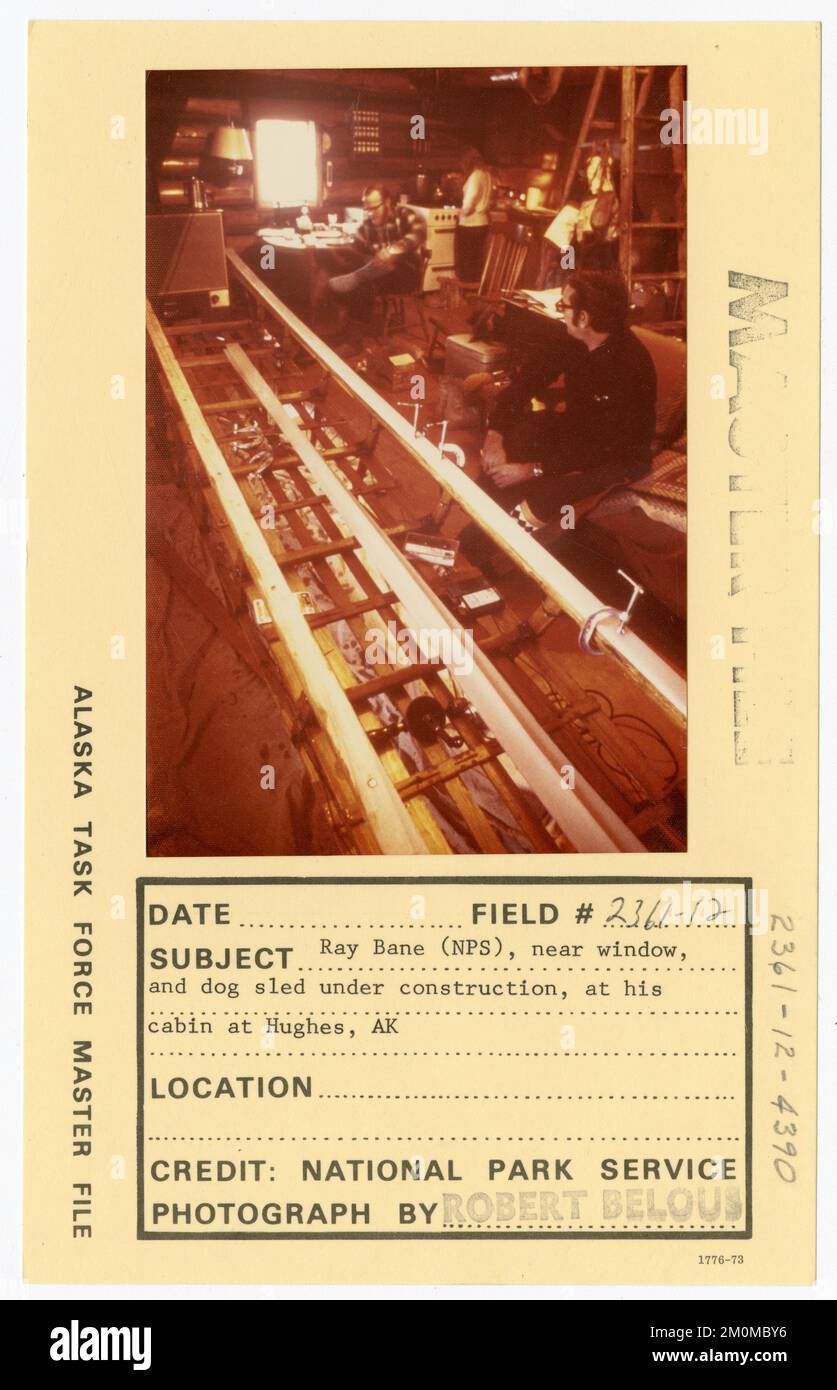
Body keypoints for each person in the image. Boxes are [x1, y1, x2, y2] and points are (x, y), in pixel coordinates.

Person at [459, 270, 657, 561]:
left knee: (543, 499)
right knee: (519, 436)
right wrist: (495, 437)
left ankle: (484, 555)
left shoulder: (630, 365)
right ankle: (475, 530)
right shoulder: (571, 338)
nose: (559, 311)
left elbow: (604, 447)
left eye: (564, 305)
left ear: (585, 318)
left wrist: (532, 469)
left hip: (616, 456)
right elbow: (525, 384)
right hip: (577, 432)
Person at [325, 185, 425, 317]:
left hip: (406, 274)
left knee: (361, 281)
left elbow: (418, 234)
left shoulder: (405, 214)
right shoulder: (367, 225)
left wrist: (392, 251)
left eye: (374, 208)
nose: (370, 213)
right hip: (380, 272)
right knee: (362, 278)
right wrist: (343, 242)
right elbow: (357, 248)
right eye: (367, 208)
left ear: (387, 202)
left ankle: (359, 277)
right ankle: (354, 329)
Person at [455, 148, 493, 283]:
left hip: (470, 224)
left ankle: (466, 293)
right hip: (482, 223)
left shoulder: (475, 176)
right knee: (476, 262)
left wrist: (461, 212)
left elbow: (470, 201)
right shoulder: (487, 174)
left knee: (466, 263)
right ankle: (474, 292)